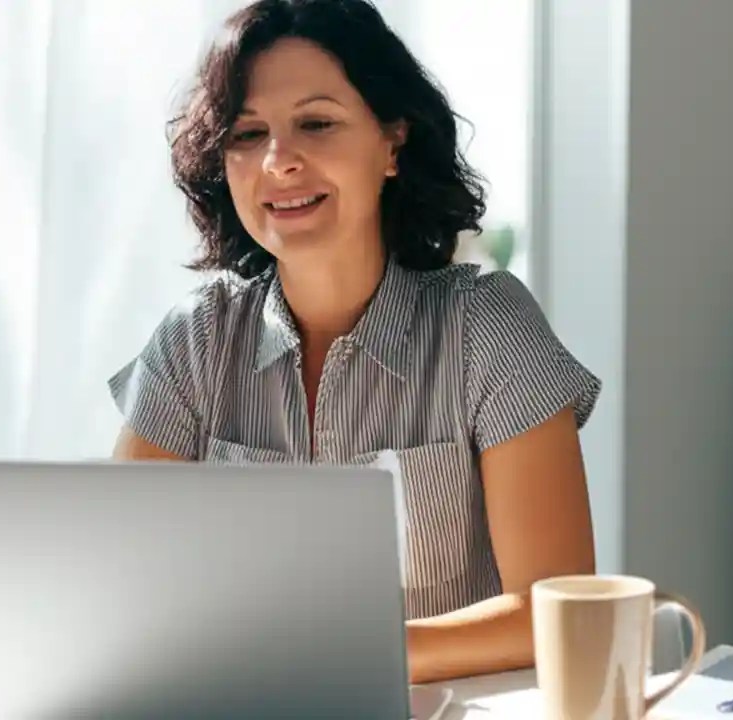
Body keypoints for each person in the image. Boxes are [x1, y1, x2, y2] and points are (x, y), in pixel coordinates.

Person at [108, 0, 600, 684]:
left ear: (392, 142)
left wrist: (335, 656)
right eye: (248, 133)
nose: (279, 161)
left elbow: (555, 611)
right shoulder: (195, 339)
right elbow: (117, 594)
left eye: (316, 123)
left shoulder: (487, 327)